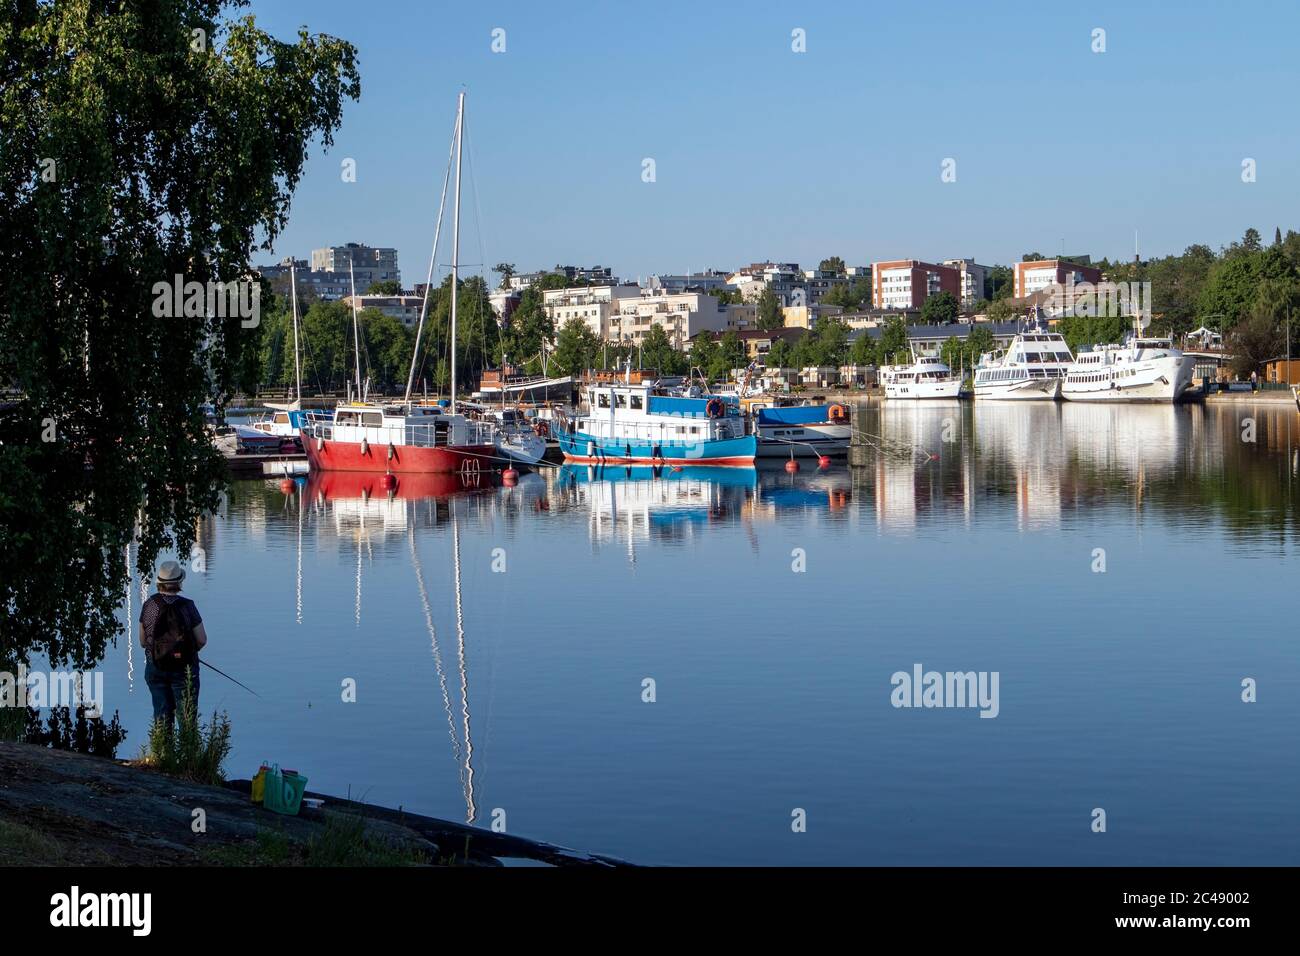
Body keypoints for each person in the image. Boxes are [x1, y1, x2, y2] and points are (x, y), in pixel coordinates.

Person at [140, 560, 207, 727]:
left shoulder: (150, 605)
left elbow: (142, 641)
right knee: (187, 720)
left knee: (161, 719)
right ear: (179, 582)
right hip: (184, 668)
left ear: (159, 582)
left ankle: (163, 751)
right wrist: (189, 650)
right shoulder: (187, 606)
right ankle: (188, 751)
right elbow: (201, 640)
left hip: (156, 665)